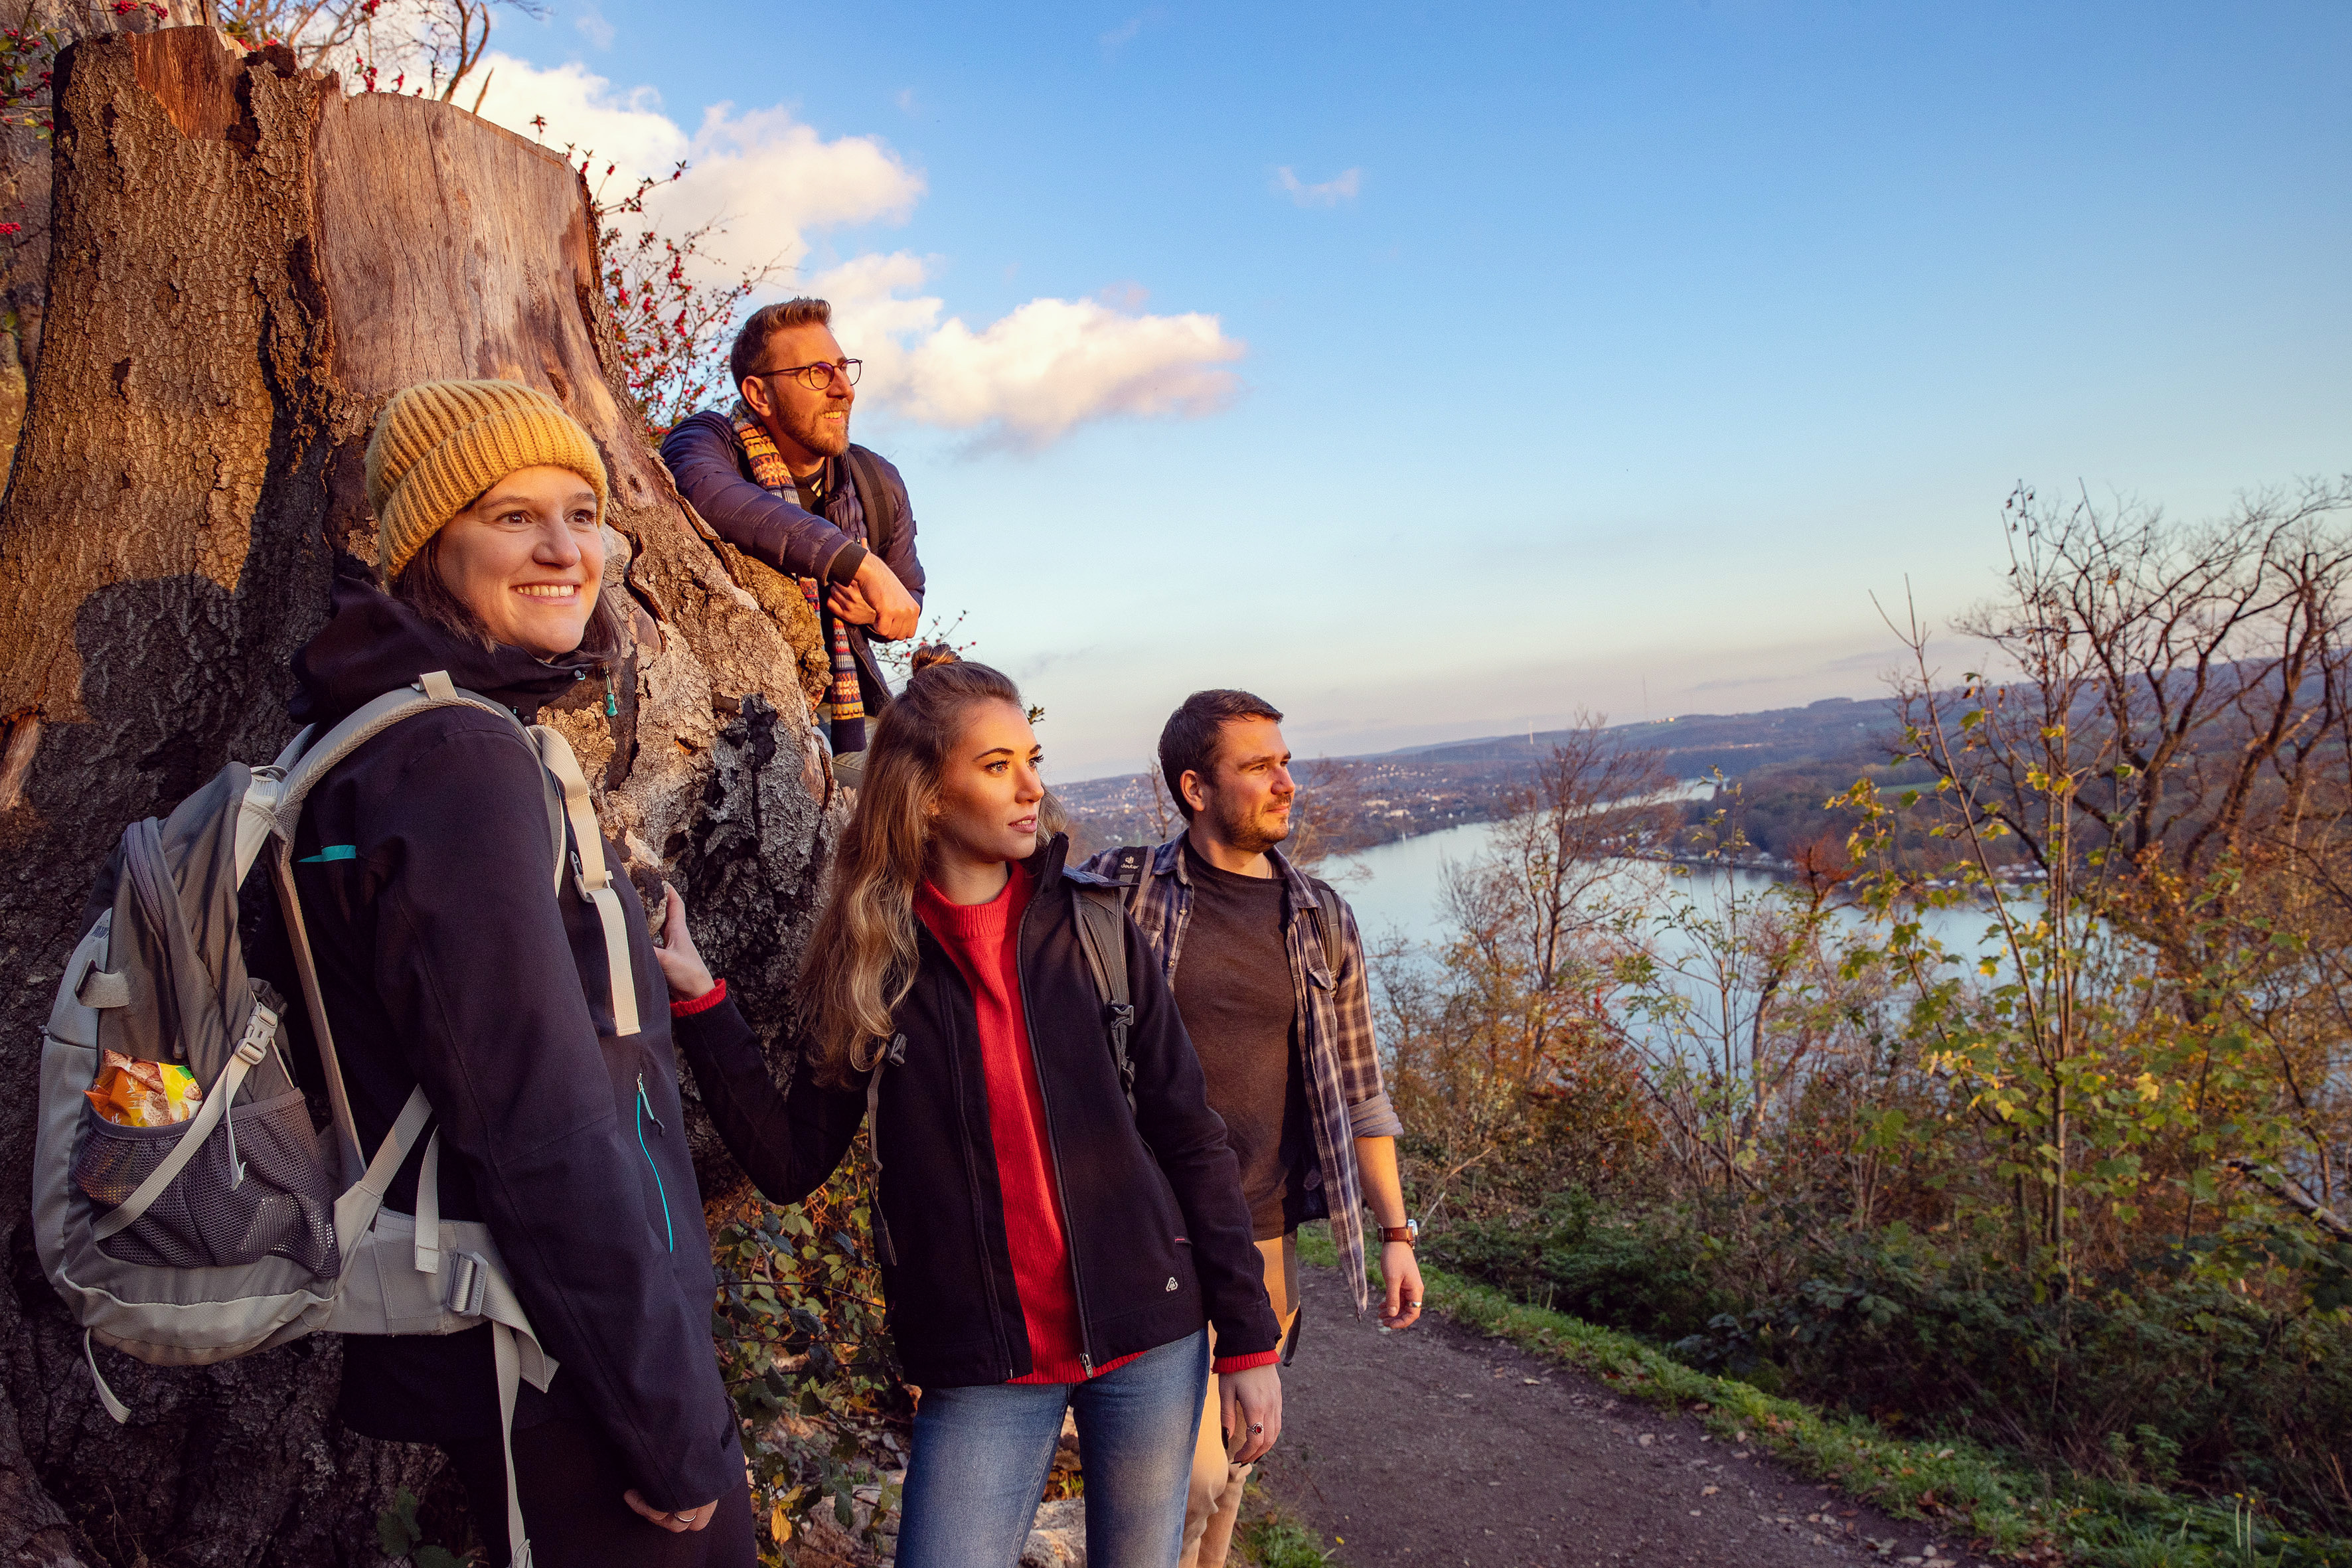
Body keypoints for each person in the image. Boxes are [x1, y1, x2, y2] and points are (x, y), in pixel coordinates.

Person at [650, 652, 1284, 1568]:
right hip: (982, 1363)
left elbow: (1192, 1141)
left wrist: (1248, 1347)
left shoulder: (1097, 930)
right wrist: (702, 1002)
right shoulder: (871, 962)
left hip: (1151, 1335)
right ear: (928, 796)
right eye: (995, 766)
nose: (1030, 787)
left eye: (1030, 757)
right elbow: (789, 1164)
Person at [264, 381, 751, 1564]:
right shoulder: (454, 758)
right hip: (563, 1364)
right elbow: (538, 1116)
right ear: (432, 543)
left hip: (542, 1342)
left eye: (582, 512)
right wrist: (667, 1418)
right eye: (510, 516)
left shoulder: (407, 736)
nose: (562, 550)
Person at [1083, 689, 1425, 1568]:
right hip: (1144, 1233)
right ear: (1195, 788)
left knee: (1236, 1461)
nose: (1286, 781)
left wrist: (1395, 1231)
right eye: (1259, 766)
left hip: (1263, 1240)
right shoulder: (1119, 892)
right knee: (1186, 1478)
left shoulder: (1319, 916)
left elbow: (1360, 1090)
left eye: (1283, 760)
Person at [659, 297, 925, 770]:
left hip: (850, 715)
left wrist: (876, 613)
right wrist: (857, 563)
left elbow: (907, 597)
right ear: (759, 395)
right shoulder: (707, 442)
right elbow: (710, 493)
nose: (843, 389)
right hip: (744, 719)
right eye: (817, 373)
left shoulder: (874, 481)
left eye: (844, 369)